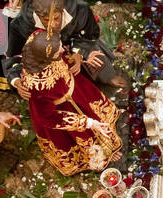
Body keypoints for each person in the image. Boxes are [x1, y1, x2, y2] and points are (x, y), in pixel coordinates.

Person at [18, 30, 122, 176]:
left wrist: (79, 58)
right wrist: (87, 123)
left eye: (60, 45)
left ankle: (106, 142)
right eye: (57, 51)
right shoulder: (38, 87)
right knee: (86, 137)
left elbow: (65, 56)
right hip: (66, 110)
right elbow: (47, 117)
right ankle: (103, 153)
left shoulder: (41, 41)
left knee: (98, 116)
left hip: (77, 89)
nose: (62, 50)